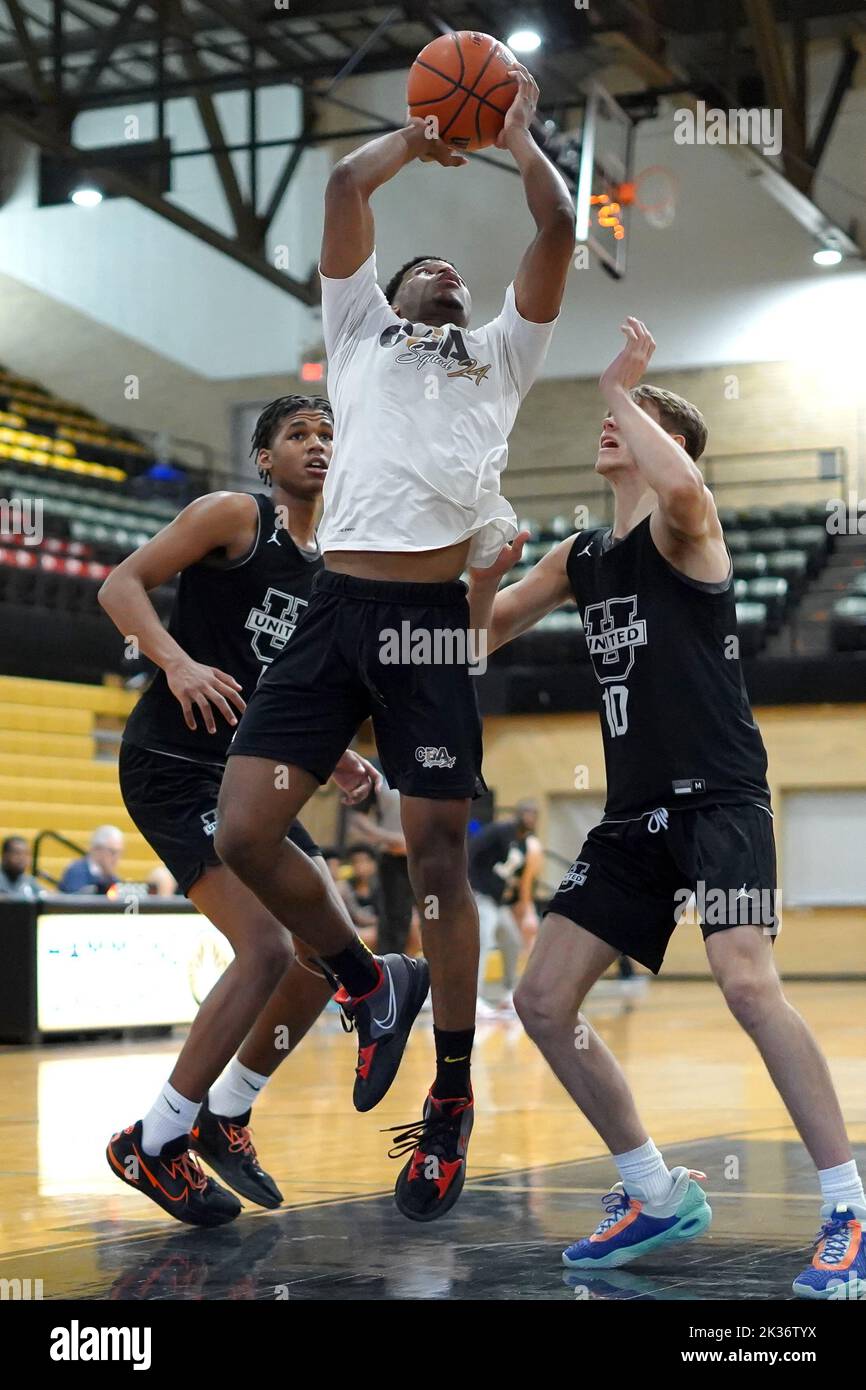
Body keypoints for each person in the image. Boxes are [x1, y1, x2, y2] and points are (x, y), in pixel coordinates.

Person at [215, 63, 575, 1222]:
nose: (439, 270)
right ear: (389, 289)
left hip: (425, 629)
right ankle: (373, 982)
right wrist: (413, 144)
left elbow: (558, 225)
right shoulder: (358, 327)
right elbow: (334, 185)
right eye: (422, 262)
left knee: (434, 862)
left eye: (452, 272)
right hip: (335, 614)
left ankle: (455, 1095)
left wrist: (518, 142)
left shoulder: (499, 354)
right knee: (244, 830)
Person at [469, 318, 865, 1297]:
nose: (613, 428)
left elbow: (681, 486)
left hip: (718, 799)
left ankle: (846, 1206)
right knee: (540, 1000)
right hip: (631, 814)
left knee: (742, 983)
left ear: (664, 441)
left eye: (636, 422)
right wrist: (481, 564)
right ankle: (649, 1188)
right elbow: (477, 637)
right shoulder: (580, 556)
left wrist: (619, 388)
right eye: (616, 417)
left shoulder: (684, 524)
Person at [97, 394, 427, 1228]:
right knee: (268, 946)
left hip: (251, 773)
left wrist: (343, 754)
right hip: (174, 763)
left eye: (328, 435)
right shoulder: (233, 518)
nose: (318, 445)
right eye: (298, 435)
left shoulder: (333, 567)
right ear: (264, 458)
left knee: (322, 947)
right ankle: (154, 1138)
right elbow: (119, 584)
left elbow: (280, 684)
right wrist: (174, 664)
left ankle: (226, 1112)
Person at [469, 801, 542, 1016]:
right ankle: (474, 999)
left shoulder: (523, 844)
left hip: (498, 902)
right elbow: (471, 851)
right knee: (484, 941)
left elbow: (516, 878)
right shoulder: (498, 831)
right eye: (527, 813)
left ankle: (508, 993)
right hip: (481, 896)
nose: (530, 819)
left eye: (534, 815)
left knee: (512, 940)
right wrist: (471, 886)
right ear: (517, 814)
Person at [348, 773, 414, 955]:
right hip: (394, 857)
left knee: (434, 917)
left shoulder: (436, 761)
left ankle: (430, 974)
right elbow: (356, 819)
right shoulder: (378, 773)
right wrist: (390, 838)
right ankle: (392, 973)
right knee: (394, 920)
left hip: (430, 856)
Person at [58, 826, 123, 894]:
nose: (116, 858)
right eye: (112, 852)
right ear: (97, 849)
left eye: (119, 853)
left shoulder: (112, 879)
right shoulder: (77, 872)